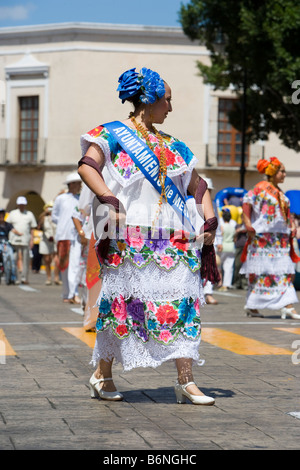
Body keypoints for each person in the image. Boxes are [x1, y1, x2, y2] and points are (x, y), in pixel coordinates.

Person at [78, 67, 220, 405]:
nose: (170, 108)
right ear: (149, 98)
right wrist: (108, 198)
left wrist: (210, 219)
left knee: (184, 307)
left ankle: (186, 381)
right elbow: (87, 165)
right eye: (167, 100)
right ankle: (103, 373)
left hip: (176, 241)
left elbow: (198, 186)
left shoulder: (176, 146)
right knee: (121, 306)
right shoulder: (111, 134)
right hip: (130, 238)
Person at [240, 156, 300, 319]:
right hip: (262, 238)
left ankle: (287, 305)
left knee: (284, 272)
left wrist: (292, 226)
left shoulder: (280, 192)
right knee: (262, 273)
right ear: (273, 172)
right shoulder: (260, 188)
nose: (285, 174)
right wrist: (247, 223)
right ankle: (252, 305)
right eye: (282, 171)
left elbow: (285, 215)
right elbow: (246, 203)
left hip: (280, 239)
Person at [51, 172, 82, 303]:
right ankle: (66, 293)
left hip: (77, 236)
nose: (80, 185)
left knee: (76, 265)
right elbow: (54, 216)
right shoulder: (61, 199)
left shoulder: (81, 199)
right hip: (63, 235)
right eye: (77, 183)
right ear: (71, 184)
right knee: (64, 266)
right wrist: (64, 225)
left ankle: (73, 293)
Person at [7, 196, 37, 285]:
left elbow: (32, 228)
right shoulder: (12, 213)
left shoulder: (29, 214)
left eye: (23, 204)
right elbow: (8, 225)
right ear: (17, 205)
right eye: (20, 204)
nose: (21, 206)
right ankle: (14, 277)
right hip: (14, 240)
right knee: (13, 259)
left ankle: (24, 278)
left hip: (25, 239)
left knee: (26, 259)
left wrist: (32, 239)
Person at [202, 178, 222, 304]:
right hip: (195, 239)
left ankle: (208, 293)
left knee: (209, 265)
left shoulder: (214, 205)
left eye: (209, 190)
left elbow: (217, 224)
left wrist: (219, 240)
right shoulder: (191, 202)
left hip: (210, 239)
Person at [38, 201, 61, 285]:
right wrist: (45, 213)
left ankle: (56, 277)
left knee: (56, 259)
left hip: (55, 239)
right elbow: (39, 224)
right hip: (46, 240)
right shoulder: (44, 217)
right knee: (47, 260)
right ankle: (48, 277)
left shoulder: (57, 217)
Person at [219, 209, 236, 291]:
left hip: (223, 246)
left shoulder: (222, 227)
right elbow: (235, 238)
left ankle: (219, 282)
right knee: (229, 267)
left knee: (219, 265)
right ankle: (227, 284)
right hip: (231, 246)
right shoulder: (232, 227)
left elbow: (220, 236)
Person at [0, 208, 17, 284]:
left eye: (2, 214)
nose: (1, 216)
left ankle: (12, 277)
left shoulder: (8, 224)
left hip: (6, 243)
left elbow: (14, 230)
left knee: (12, 258)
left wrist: (19, 233)